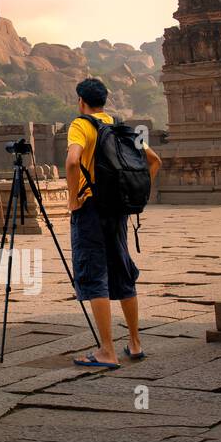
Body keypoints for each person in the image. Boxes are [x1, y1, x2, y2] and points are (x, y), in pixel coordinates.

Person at [65, 78, 161, 369]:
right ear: (104, 101)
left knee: (95, 274)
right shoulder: (122, 127)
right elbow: (154, 161)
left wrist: (72, 199)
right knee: (122, 270)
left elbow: (72, 162)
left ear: (81, 100)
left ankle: (106, 350)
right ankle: (135, 343)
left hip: (91, 208)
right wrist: (136, 194)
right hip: (118, 209)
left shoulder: (81, 124)